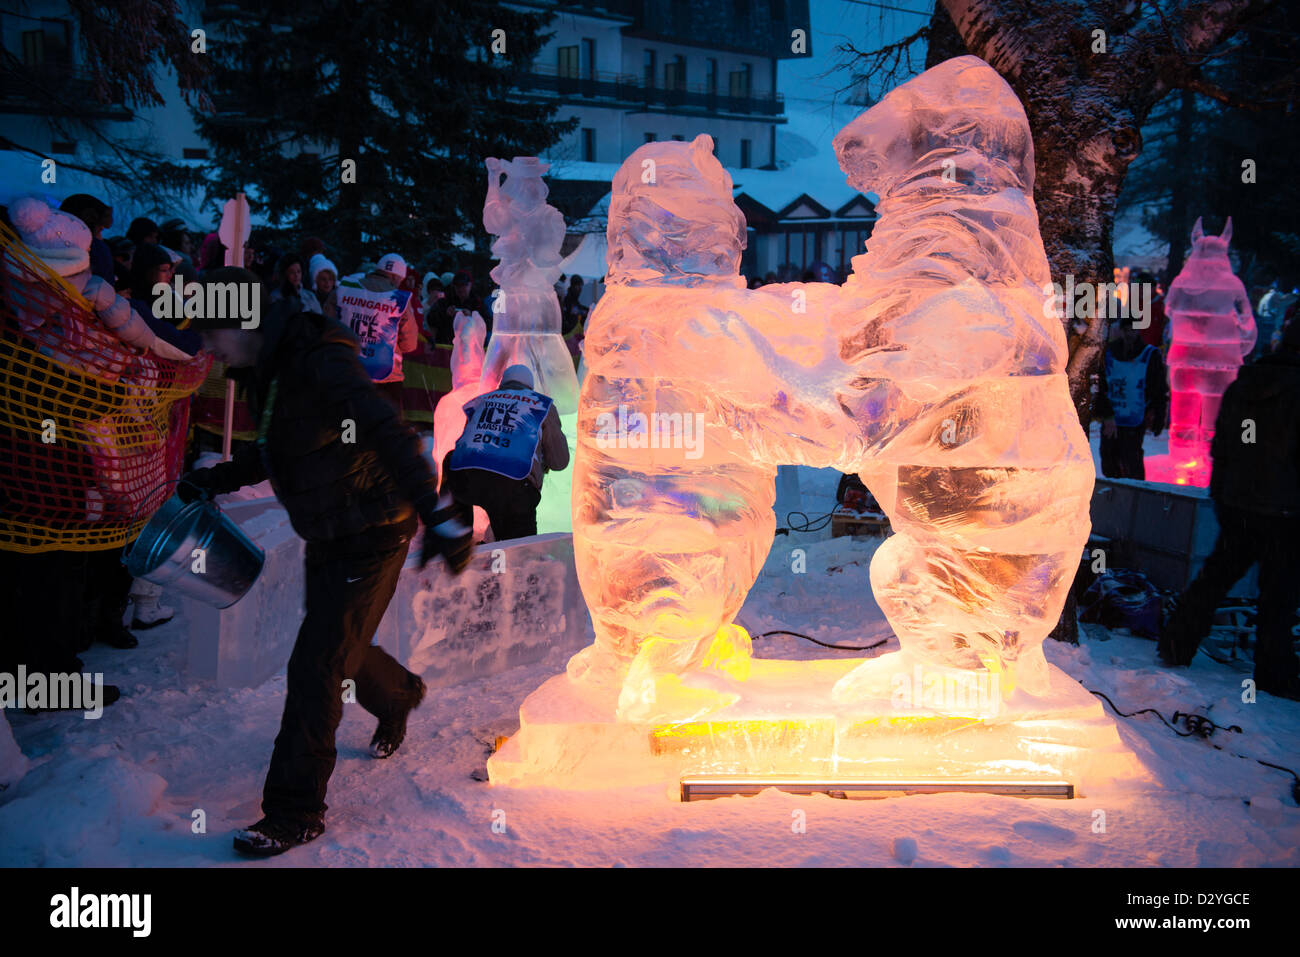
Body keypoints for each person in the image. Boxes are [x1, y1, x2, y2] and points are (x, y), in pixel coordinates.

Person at [179, 268, 474, 856]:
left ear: (242, 321)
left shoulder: (318, 359)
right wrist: (218, 479)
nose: (207, 347)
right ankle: (398, 694)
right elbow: (281, 446)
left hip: (373, 527)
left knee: (317, 665)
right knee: (338, 644)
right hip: (331, 528)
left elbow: (386, 430)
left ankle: (295, 812)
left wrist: (436, 511)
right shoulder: (271, 364)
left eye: (211, 332)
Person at [1159, 319, 1300, 699]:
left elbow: (1226, 442)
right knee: (1278, 596)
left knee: (1215, 578)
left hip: (1240, 501)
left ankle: (1177, 642)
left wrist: (1222, 493)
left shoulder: (1246, 384)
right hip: (1284, 509)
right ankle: (1274, 672)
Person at [442, 364, 569, 541]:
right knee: (519, 552)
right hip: (513, 488)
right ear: (530, 388)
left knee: (452, 459)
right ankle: (509, 556)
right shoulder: (542, 405)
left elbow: (466, 446)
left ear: (502, 385)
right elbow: (559, 462)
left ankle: (455, 537)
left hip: (466, 481)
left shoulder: (481, 402)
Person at [335, 253, 419, 411]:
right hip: (386, 378)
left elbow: (328, 326)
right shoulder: (398, 299)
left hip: (348, 371)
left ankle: (349, 436)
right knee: (385, 431)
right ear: (396, 277)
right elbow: (409, 344)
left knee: (349, 425)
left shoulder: (345, 289)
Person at [1096, 311, 1168, 479]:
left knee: (1132, 461)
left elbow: (1158, 388)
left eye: (1133, 330)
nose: (1130, 334)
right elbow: (1100, 386)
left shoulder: (1150, 355)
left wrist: (1158, 416)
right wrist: (1106, 415)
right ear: (1121, 330)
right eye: (1127, 330)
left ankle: (1134, 497)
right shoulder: (1109, 353)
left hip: (1135, 419)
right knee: (1109, 460)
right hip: (1112, 417)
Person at [59, 194, 115, 284]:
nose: (101, 237)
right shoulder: (97, 248)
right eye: (100, 229)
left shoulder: (49, 243)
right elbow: (106, 284)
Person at [429, 269, 486, 346]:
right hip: (447, 346)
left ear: (470, 285)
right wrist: (446, 313)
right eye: (457, 285)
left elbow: (486, 323)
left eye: (464, 285)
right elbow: (430, 318)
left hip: (469, 347)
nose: (460, 288)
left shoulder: (478, 303)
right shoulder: (445, 301)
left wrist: (472, 317)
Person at [308, 253, 339, 320]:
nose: (327, 282)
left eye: (330, 279)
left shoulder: (338, 300)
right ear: (316, 280)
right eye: (323, 279)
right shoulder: (310, 299)